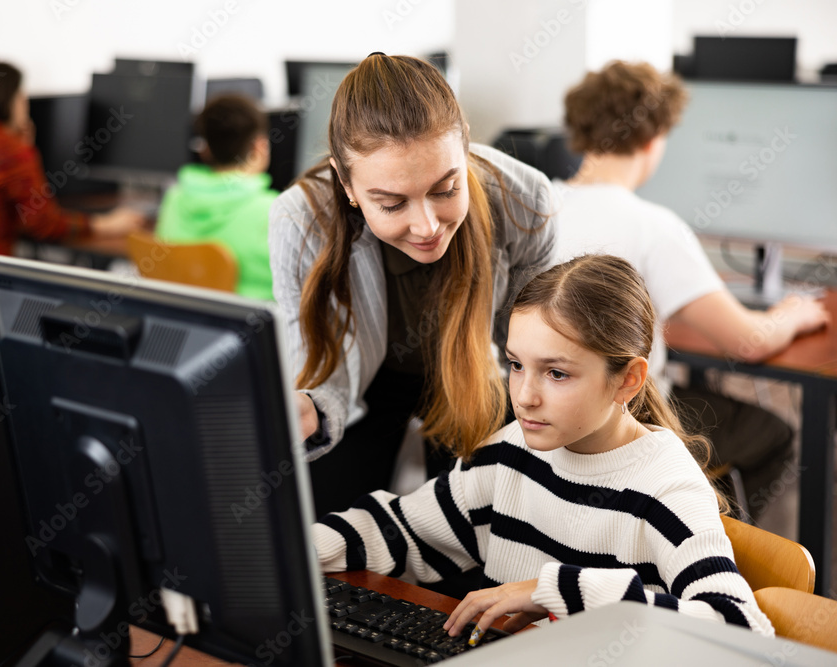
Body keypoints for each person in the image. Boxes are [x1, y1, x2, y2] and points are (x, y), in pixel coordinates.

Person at [312, 254, 774, 639]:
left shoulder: (665, 488)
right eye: (516, 365)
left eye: (557, 373)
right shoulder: (513, 450)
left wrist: (550, 590)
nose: (525, 396)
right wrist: (287, 549)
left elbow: (739, 630)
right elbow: (404, 532)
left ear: (628, 380)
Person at [268, 53, 555, 518]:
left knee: (480, 537)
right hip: (363, 377)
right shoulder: (300, 221)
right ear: (347, 185)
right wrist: (309, 408)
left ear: (465, 151)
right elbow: (319, 369)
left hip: (469, 371)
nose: (426, 227)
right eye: (391, 203)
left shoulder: (524, 201)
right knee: (331, 536)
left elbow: (531, 355)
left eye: (445, 190)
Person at [553, 61, 829, 519]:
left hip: (544, 409)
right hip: (628, 418)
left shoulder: (538, 206)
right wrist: (794, 313)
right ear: (652, 139)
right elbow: (748, 341)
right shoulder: (653, 226)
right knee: (773, 433)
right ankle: (702, 541)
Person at [0, 60, 144, 268]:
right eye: (21, 94)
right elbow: (45, 225)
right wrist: (108, 224)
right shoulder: (7, 150)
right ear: (10, 101)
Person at [155, 93, 277, 301]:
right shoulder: (273, 210)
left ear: (205, 150)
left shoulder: (174, 198)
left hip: (186, 326)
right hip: (254, 329)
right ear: (259, 146)